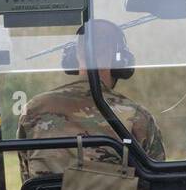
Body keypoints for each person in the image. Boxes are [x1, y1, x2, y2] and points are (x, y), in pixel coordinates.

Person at [17, 19, 165, 181]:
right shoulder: (138, 118)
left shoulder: (33, 111)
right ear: (120, 60)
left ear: (74, 56)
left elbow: (27, 181)